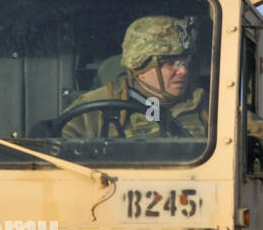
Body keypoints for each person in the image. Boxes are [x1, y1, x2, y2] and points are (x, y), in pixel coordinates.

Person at [61, 16, 207, 139]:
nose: (183, 70)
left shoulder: (206, 105)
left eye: (185, 62)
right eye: (170, 63)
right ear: (140, 68)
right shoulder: (94, 110)